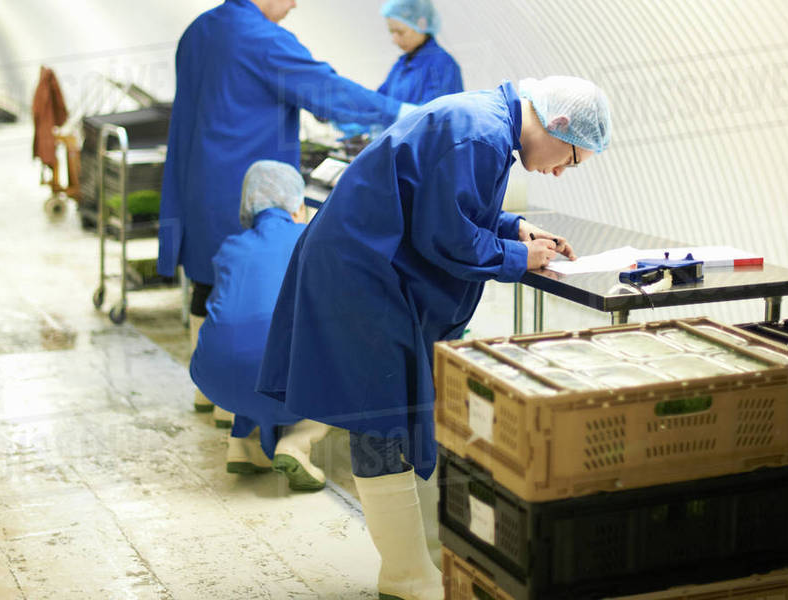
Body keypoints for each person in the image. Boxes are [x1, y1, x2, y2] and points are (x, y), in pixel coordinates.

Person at [257, 76, 611, 600]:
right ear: (557, 124)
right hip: (363, 273)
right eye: (571, 158)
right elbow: (446, 234)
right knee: (382, 421)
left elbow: (450, 200)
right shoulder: (483, 135)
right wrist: (519, 258)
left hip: (367, 266)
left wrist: (515, 229)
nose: (560, 170)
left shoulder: (487, 124)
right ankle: (404, 576)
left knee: (389, 419)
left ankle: (409, 565)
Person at [157, 0, 412, 416]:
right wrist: (399, 113)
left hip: (198, 181)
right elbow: (325, 89)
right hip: (251, 186)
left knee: (208, 280)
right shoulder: (262, 38)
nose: (293, 4)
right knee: (258, 287)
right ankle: (239, 405)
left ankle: (206, 388)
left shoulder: (200, 29)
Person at [188, 160, 330, 490]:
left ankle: (245, 446)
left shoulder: (230, 248)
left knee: (252, 348)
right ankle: (297, 443)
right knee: (336, 366)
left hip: (213, 378)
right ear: (298, 205)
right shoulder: (310, 240)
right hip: (272, 377)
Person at [336, 0, 463, 140]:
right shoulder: (402, 64)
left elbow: (432, 119)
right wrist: (343, 114)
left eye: (400, 32)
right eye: (392, 32)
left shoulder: (442, 65)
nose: (394, 40)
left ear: (422, 24)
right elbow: (378, 103)